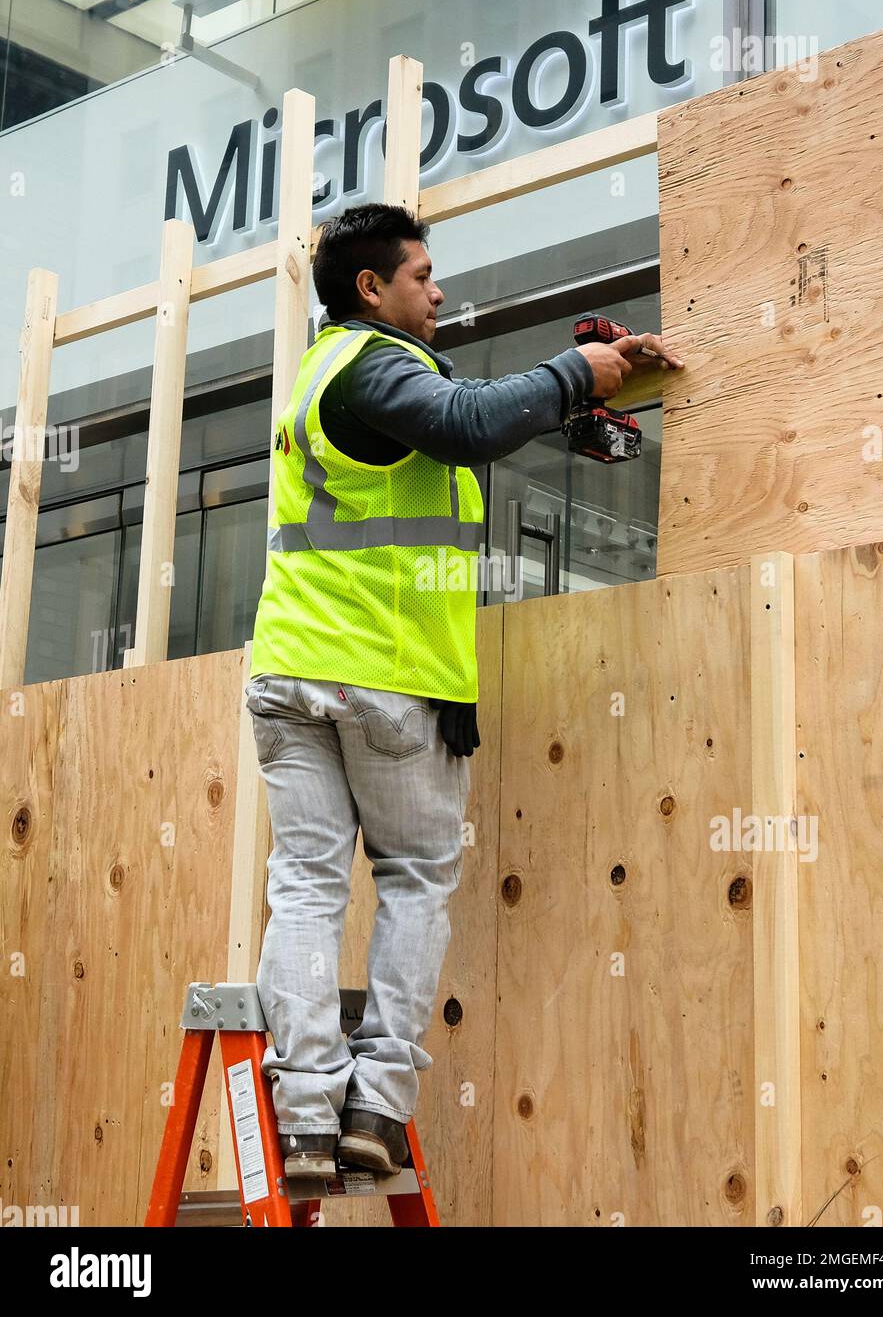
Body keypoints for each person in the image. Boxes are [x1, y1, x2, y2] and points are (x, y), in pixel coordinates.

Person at [244, 202, 684, 1178]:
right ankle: (375, 1107)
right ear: (371, 288)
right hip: (384, 676)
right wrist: (569, 373)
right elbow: (467, 422)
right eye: (421, 275)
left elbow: (464, 420)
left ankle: (305, 1117)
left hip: (289, 671)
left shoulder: (325, 374)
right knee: (412, 880)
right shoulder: (376, 367)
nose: (438, 292)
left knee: (306, 887)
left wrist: (585, 385)